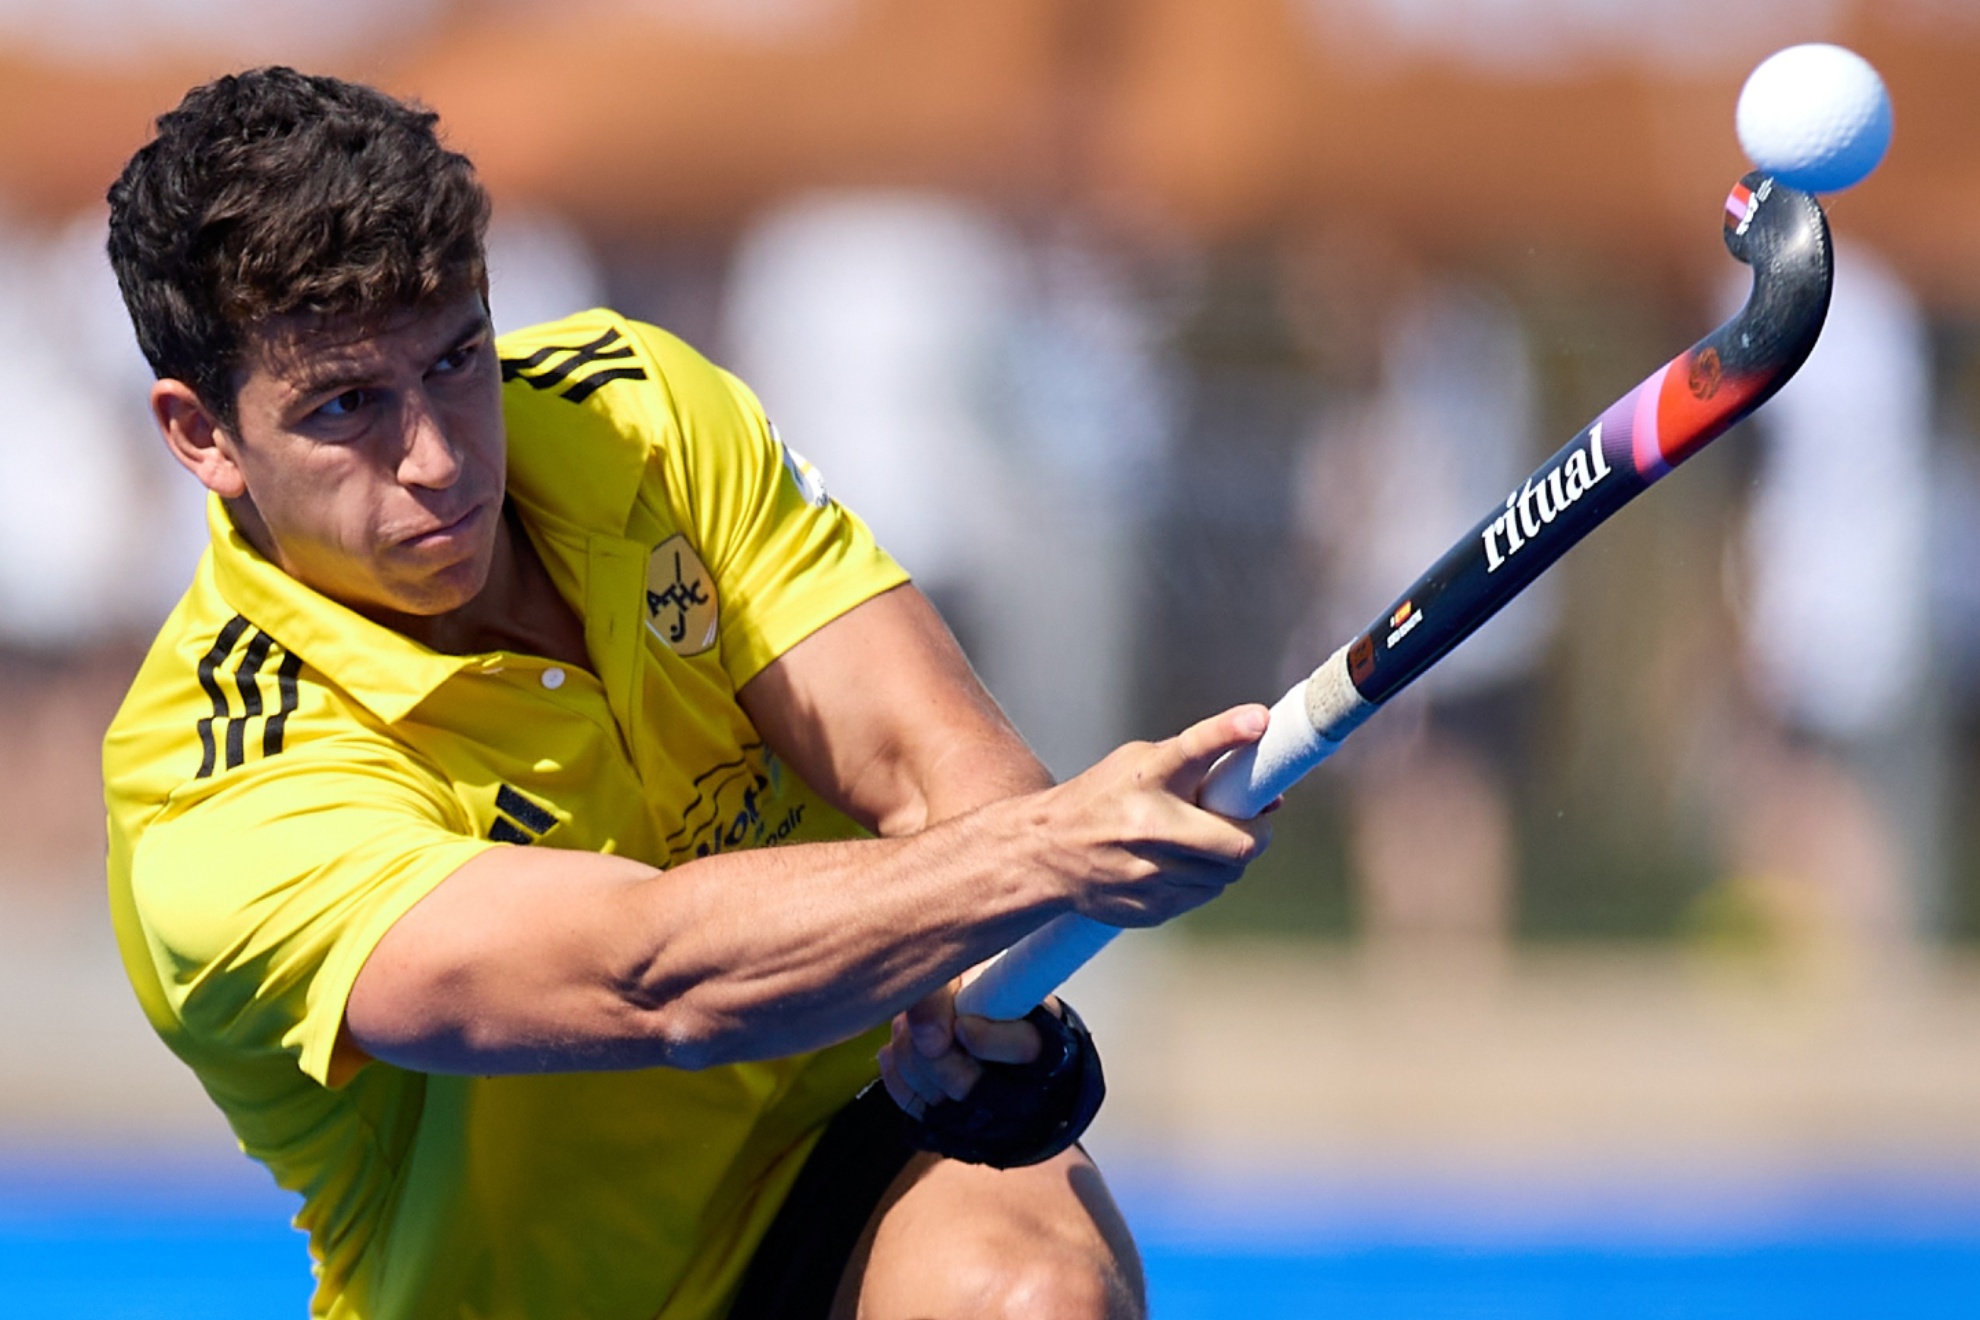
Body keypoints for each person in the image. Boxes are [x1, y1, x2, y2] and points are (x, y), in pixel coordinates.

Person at [101, 68, 1271, 1319]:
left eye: (455, 359)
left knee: (1028, 1298)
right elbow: (653, 979)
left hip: (857, 1138)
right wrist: (1042, 858)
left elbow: (931, 765)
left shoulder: (638, 409)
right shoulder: (208, 797)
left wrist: (978, 1012)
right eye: (348, 406)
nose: (438, 457)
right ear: (203, 435)